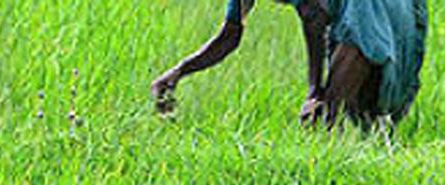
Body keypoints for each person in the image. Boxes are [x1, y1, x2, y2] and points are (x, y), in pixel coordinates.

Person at [150, 0, 427, 127]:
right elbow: (229, 36)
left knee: (327, 115)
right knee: (336, 113)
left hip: (371, 9)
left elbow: (313, 13)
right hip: (361, 14)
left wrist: (314, 91)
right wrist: (178, 72)